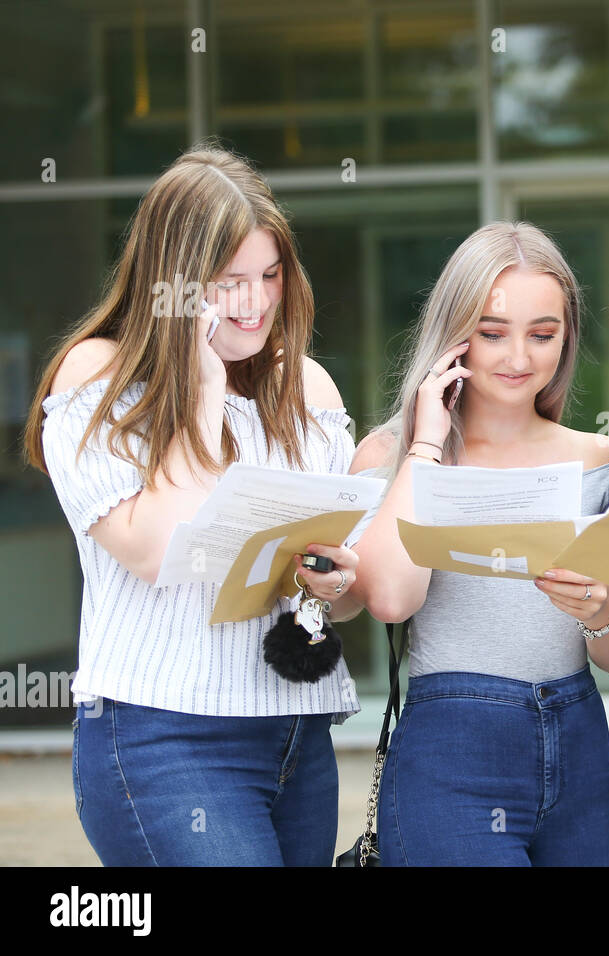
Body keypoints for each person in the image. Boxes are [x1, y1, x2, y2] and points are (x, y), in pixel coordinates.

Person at [23, 144, 363, 866]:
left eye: (270, 275)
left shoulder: (309, 389)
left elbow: (341, 594)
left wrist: (329, 584)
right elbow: (157, 551)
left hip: (299, 737)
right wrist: (202, 385)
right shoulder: (101, 379)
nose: (256, 301)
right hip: (163, 738)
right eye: (229, 281)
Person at [349, 222, 609, 867]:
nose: (519, 358)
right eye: (492, 333)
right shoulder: (392, 456)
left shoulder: (600, 461)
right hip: (453, 748)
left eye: (543, 335)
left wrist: (599, 607)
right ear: (454, 335)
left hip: (579, 743)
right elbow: (392, 600)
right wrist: (426, 446)